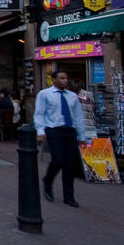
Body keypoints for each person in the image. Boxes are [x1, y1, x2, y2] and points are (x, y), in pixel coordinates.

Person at [34, 70, 91, 207]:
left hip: (69, 131)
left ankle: (69, 196)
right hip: (54, 129)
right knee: (58, 159)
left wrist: (82, 136)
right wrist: (40, 130)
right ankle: (48, 181)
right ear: (54, 80)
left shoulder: (72, 96)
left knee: (70, 164)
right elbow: (39, 113)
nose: (65, 80)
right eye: (62, 78)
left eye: (66, 78)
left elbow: (78, 116)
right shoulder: (45, 94)